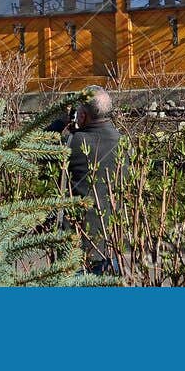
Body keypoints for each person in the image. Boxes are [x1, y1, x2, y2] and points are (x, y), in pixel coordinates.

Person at [64, 85, 121, 277]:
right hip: (112, 239)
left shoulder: (73, 142)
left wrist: (61, 120)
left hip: (78, 240)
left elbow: (40, 149)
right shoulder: (123, 141)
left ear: (83, 115)